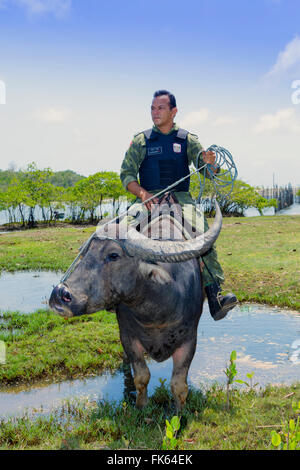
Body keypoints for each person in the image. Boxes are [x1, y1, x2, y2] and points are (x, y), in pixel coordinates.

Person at [120, 90, 237, 321]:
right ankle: (115, 292)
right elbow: (126, 174)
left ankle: (215, 295)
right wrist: (142, 193)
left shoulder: (187, 140)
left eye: (160, 108)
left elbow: (207, 171)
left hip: (182, 199)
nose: (155, 112)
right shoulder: (140, 140)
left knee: (203, 236)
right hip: (147, 199)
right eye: (152, 108)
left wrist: (210, 164)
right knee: (119, 233)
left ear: (173, 111)